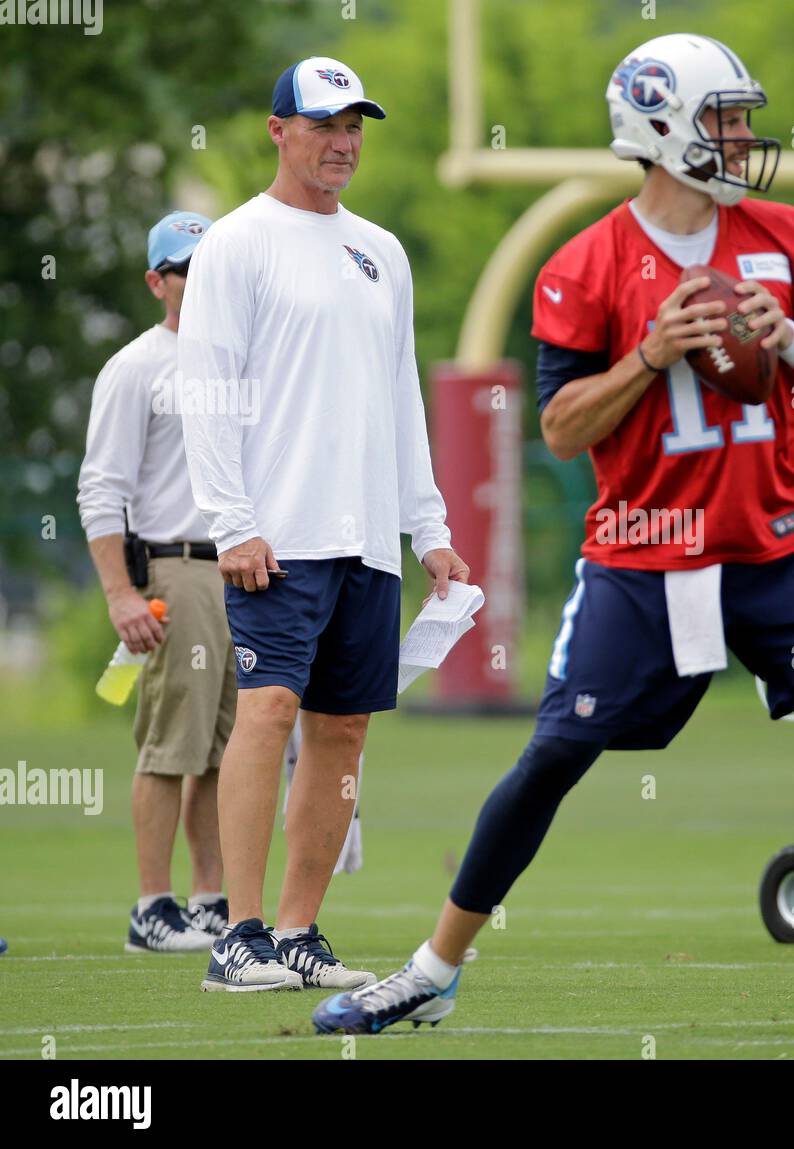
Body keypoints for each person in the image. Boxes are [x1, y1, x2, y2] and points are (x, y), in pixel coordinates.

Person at [314, 33, 794, 1039]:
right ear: (662, 125)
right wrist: (647, 356)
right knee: (554, 756)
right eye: (724, 117)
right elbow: (557, 428)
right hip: (643, 547)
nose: (744, 136)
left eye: (741, 117)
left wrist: (790, 337)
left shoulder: (784, 236)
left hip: (778, 536)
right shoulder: (584, 264)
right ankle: (432, 968)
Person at [178, 56, 466, 992]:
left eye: (355, 128)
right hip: (274, 536)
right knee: (266, 713)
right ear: (279, 130)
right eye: (325, 125)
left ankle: (300, 927)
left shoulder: (382, 248)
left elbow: (400, 399)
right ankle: (238, 932)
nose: (343, 143)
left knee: (344, 733)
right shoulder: (236, 242)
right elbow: (208, 390)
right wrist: (232, 523)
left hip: (368, 538)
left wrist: (428, 527)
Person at [77, 210, 232, 954]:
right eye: (185, 273)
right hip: (173, 562)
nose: (199, 286)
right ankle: (152, 906)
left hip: (241, 565)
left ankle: (210, 898)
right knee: (171, 742)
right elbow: (101, 488)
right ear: (158, 281)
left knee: (223, 749)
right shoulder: (138, 366)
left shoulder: (240, 361)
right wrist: (120, 593)